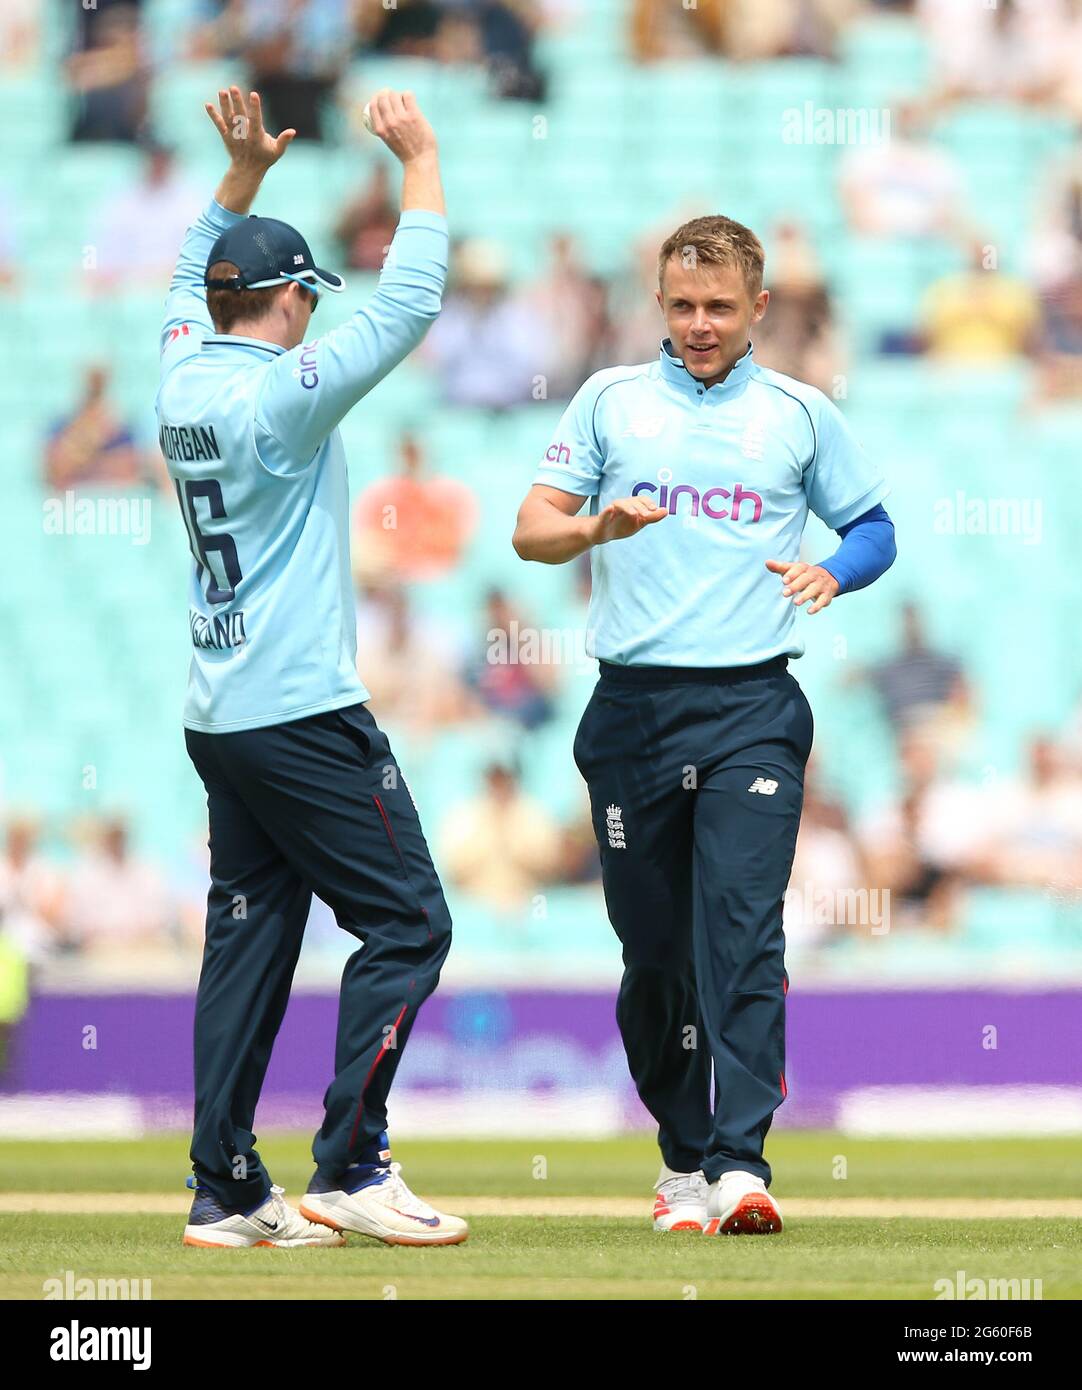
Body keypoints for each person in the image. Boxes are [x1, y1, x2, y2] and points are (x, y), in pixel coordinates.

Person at [512, 213, 896, 1236]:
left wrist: (831, 569)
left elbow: (873, 529)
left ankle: (739, 1162)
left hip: (750, 708)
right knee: (653, 952)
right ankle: (680, 1156)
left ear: (756, 308)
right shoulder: (607, 401)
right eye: (680, 304)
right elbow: (529, 528)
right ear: (658, 302)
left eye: (718, 306)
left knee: (742, 931)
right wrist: (595, 523)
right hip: (631, 711)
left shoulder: (798, 414)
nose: (697, 323)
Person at [158, 85, 465, 1249]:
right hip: (300, 710)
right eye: (302, 299)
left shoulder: (181, 371)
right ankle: (350, 1160)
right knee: (409, 922)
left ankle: (227, 1185)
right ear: (288, 300)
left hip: (219, 711)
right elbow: (412, 301)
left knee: (248, 934)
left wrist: (238, 180)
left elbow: (192, 271)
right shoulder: (282, 400)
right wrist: (421, 157)